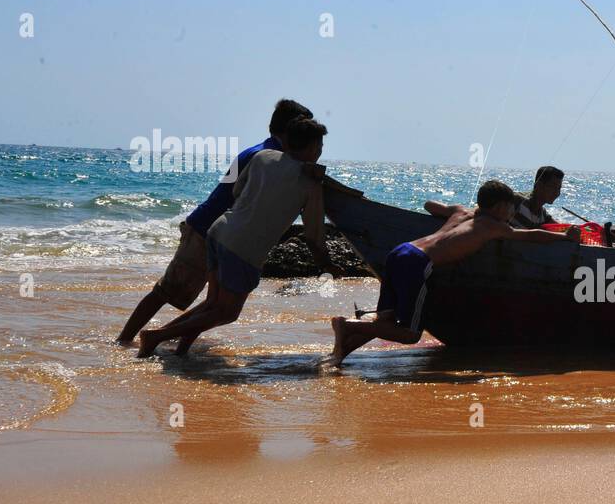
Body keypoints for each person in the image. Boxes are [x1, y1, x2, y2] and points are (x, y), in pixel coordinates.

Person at [117, 99, 313, 343]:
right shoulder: (267, 157)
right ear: (292, 130)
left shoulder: (255, 152)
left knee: (212, 304)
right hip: (206, 229)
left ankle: (159, 338)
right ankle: (126, 340)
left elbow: (229, 189)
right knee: (167, 292)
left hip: (211, 226)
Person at [325, 180, 580, 366]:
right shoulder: (493, 225)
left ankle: (338, 356)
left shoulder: (460, 211)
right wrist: (562, 235)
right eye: (510, 208)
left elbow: (429, 205)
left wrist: (450, 213)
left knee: (385, 319)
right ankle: (346, 324)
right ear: (500, 207)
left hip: (400, 251)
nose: (511, 214)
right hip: (418, 263)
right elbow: (529, 236)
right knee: (411, 335)